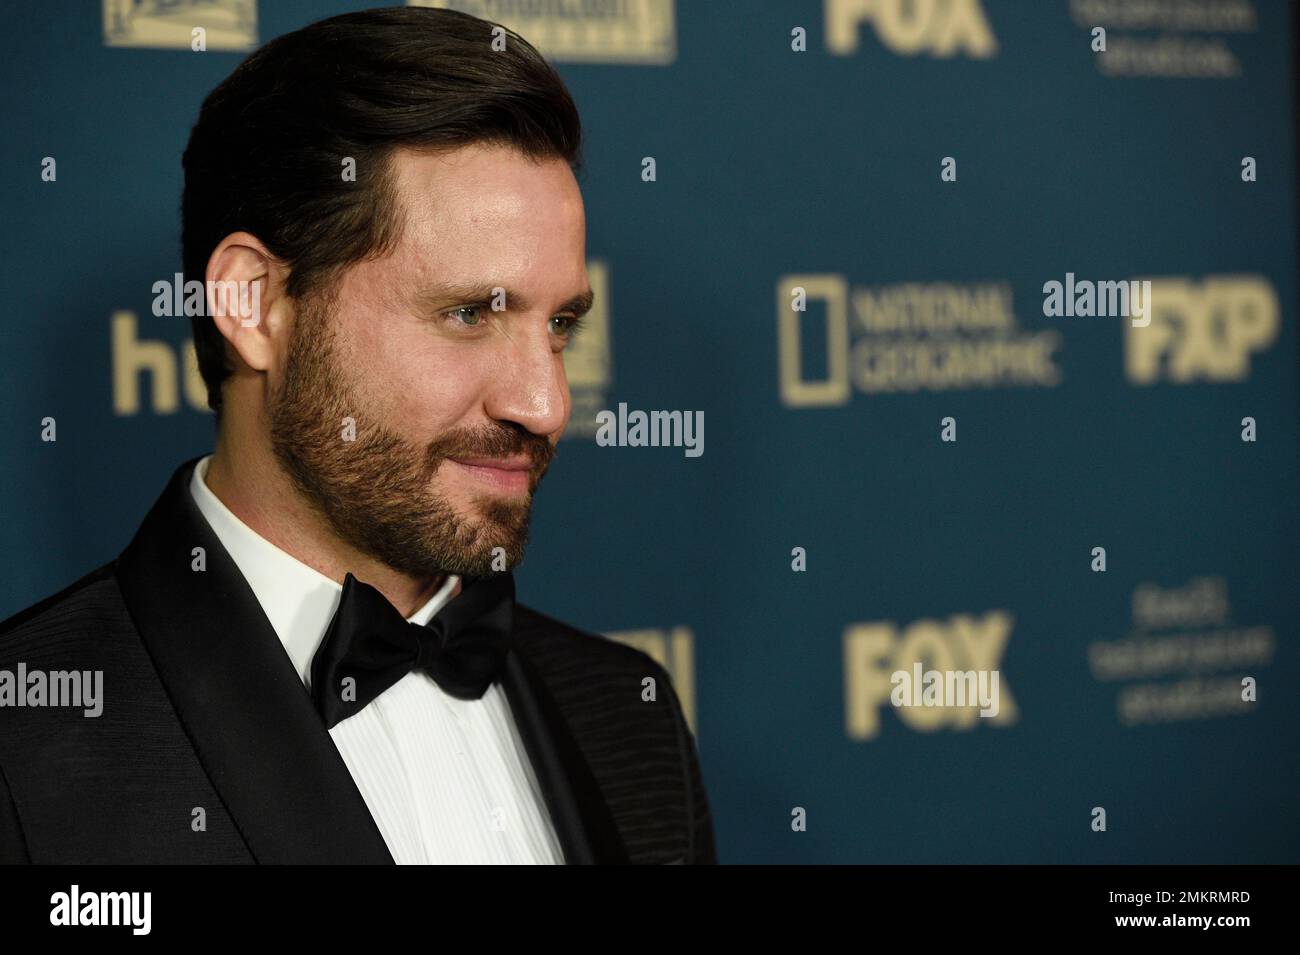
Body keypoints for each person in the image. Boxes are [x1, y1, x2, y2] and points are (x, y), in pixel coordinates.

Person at [0, 6, 715, 865]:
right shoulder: (27, 742)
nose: (547, 401)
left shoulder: (628, 714)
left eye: (559, 323)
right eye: (467, 314)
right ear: (253, 304)